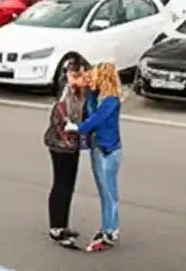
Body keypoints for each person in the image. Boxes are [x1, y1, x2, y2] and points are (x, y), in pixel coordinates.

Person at [69, 61, 123, 252]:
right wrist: (90, 91)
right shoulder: (99, 97)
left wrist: (77, 128)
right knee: (104, 191)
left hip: (108, 150)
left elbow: (96, 119)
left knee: (109, 193)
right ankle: (106, 227)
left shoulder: (111, 101)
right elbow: (91, 110)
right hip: (98, 148)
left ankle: (111, 230)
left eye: (96, 75)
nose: (92, 77)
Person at [42, 52, 92, 249]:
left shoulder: (78, 91)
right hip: (60, 145)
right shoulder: (66, 93)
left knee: (68, 185)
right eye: (80, 73)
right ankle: (56, 228)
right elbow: (65, 118)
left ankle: (62, 224)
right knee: (61, 184)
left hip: (71, 145)